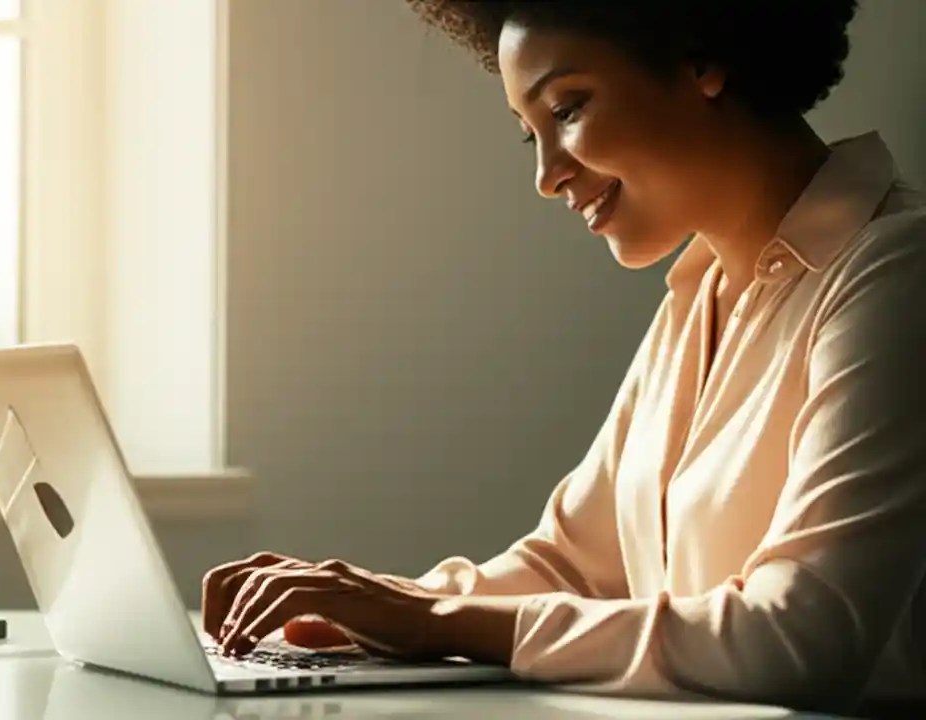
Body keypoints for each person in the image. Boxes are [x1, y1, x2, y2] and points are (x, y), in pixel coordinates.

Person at [202, 0, 926, 714]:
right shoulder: (699, 292)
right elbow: (573, 566)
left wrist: (434, 623)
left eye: (569, 108)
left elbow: (801, 636)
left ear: (701, 58)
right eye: (530, 134)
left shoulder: (896, 273)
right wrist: (368, 610)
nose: (548, 175)